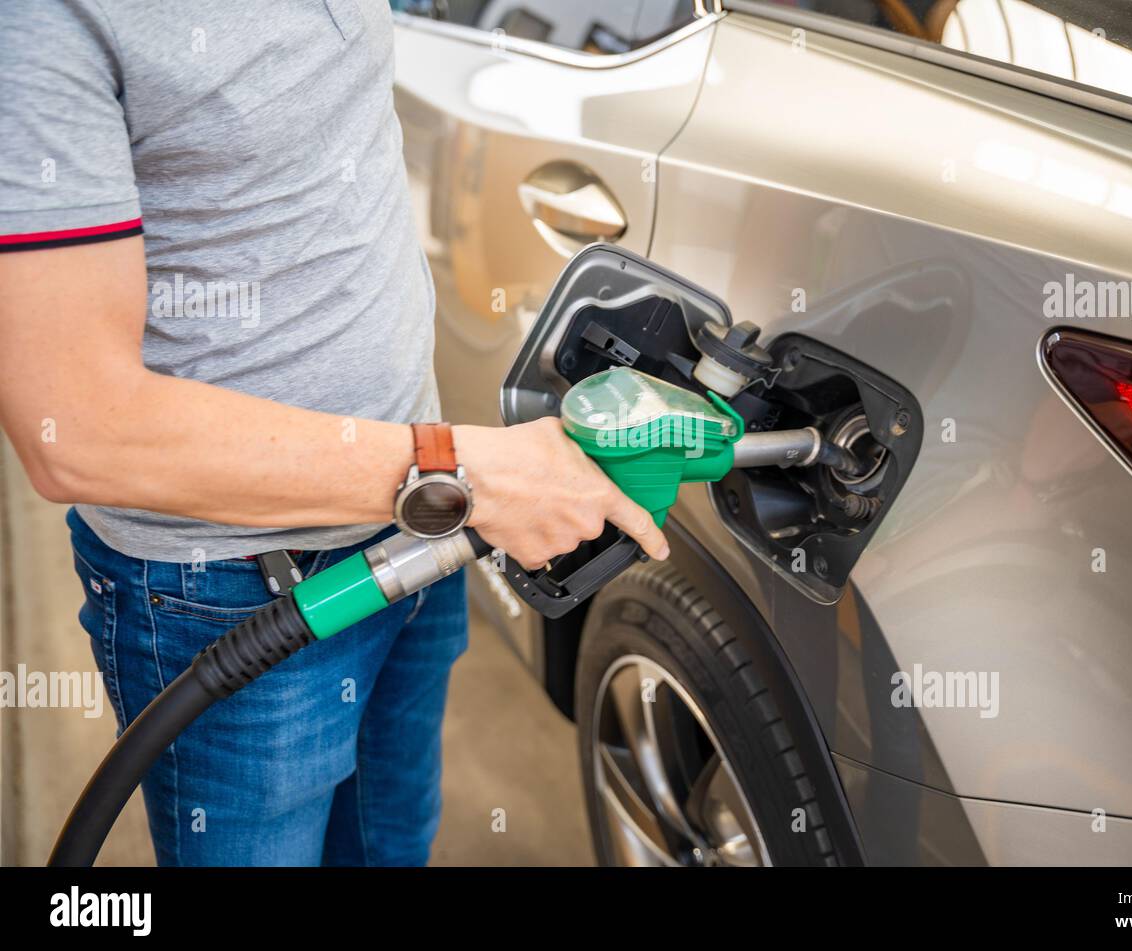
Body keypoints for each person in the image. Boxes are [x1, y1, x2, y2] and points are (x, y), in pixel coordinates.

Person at [0, 0, 668, 866]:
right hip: (227, 588)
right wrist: (466, 471)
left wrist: (445, 480)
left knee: (388, 848)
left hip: (421, 529)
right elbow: (78, 430)